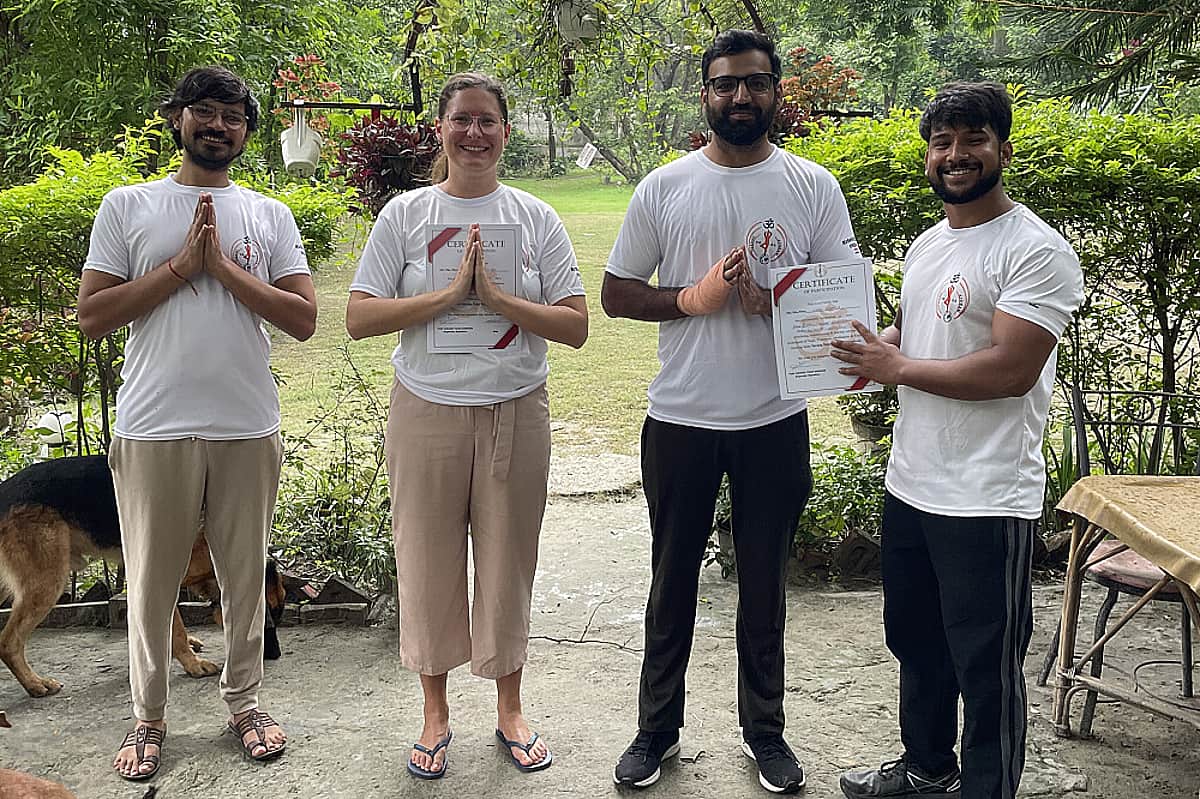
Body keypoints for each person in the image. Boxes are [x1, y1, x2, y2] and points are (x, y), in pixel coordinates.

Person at [603, 29, 860, 795]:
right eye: (724, 85)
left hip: (773, 419)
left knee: (765, 586)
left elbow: (842, 296)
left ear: (777, 90)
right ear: (705, 95)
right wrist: (693, 298)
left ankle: (766, 732)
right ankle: (655, 729)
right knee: (670, 578)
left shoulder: (814, 185)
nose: (740, 96)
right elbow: (617, 293)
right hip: (680, 418)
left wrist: (773, 301)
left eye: (754, 83)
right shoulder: (665, 185)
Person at [831, 82, 1083, 799]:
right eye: (942, 142)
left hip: (985, 493)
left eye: (973, 139)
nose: (956, 154)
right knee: (917, 643)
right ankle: (925, 767)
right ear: (928, 158)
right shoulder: (929, 243)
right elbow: (917, 334)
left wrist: (897, 366)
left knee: (986, 664)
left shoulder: (1036, 249)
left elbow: (1010, 368)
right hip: (912, 483)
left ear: (1003, 149)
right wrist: (871, 348)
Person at [345, 72, 587, 780]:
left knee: (509, 559)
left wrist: (501, 299)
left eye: (488, 121)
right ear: (441, 131)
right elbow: (359, 315)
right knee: (424, 558)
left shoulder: (536, 218)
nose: (475, 133)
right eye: (462, 121)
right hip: (426, 409)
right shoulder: (407, 217)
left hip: (516, 407)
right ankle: (434, 711)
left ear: (506, 133)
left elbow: (574, 324)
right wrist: (450, 295)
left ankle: (510, 707)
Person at [78, 66, 317, 779]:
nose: (219, 125)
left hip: (247, 423)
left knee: (246, 576)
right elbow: (92, 315)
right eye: (205, 112)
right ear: (177, 117)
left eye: (235, 116)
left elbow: (303, 318)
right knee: (151, 580)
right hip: (154, 424)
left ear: (248, 130)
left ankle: (246, 702)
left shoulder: (270, 215)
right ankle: (148, 716)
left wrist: (222, 269)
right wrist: (183, 265)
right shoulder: (128, 206)